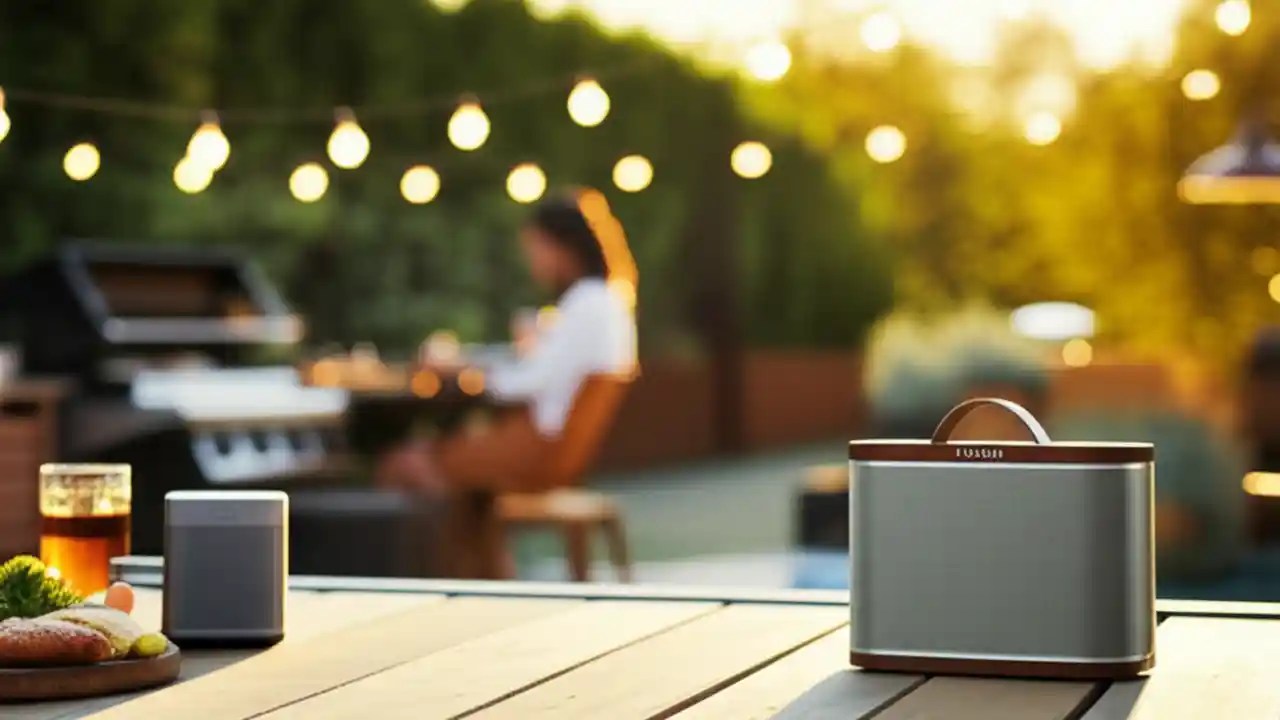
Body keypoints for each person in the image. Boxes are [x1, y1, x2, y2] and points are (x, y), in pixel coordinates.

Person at [376, 188, 638, 576]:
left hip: (541, 446)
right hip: (546, 442)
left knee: (407, 465)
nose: (531, 259)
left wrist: (466, 371)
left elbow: (529, 382)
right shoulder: (603, 302)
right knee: (466, 492)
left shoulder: (587, 304)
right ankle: (487, 576)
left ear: (561, 247)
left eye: (535, 247)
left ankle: (448, 578)